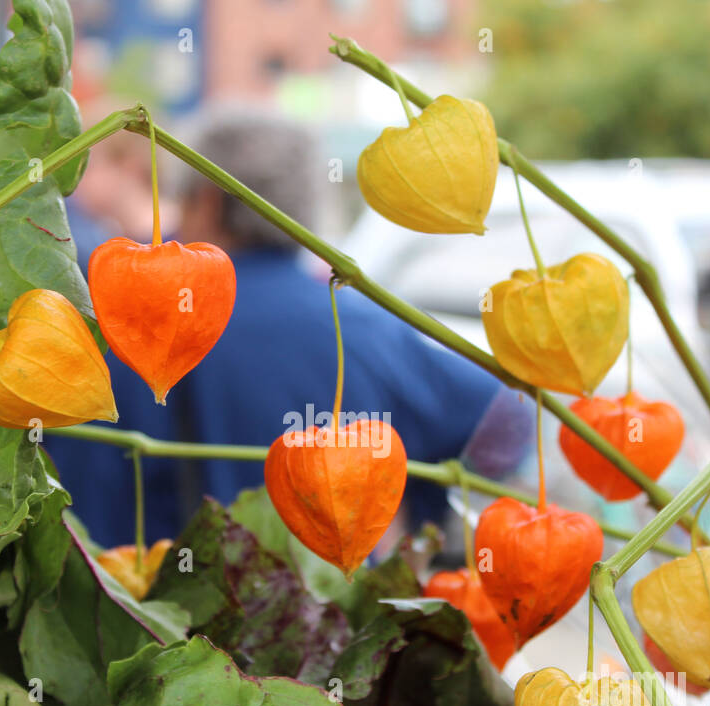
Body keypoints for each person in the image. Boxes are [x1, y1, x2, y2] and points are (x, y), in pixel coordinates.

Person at [46, 106, 503, 551]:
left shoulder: (126, 322)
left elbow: (71, 490)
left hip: (151, 610)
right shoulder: (366, 329)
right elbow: (502, 419)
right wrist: (417, 522)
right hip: (329, 618)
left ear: (207, 203)